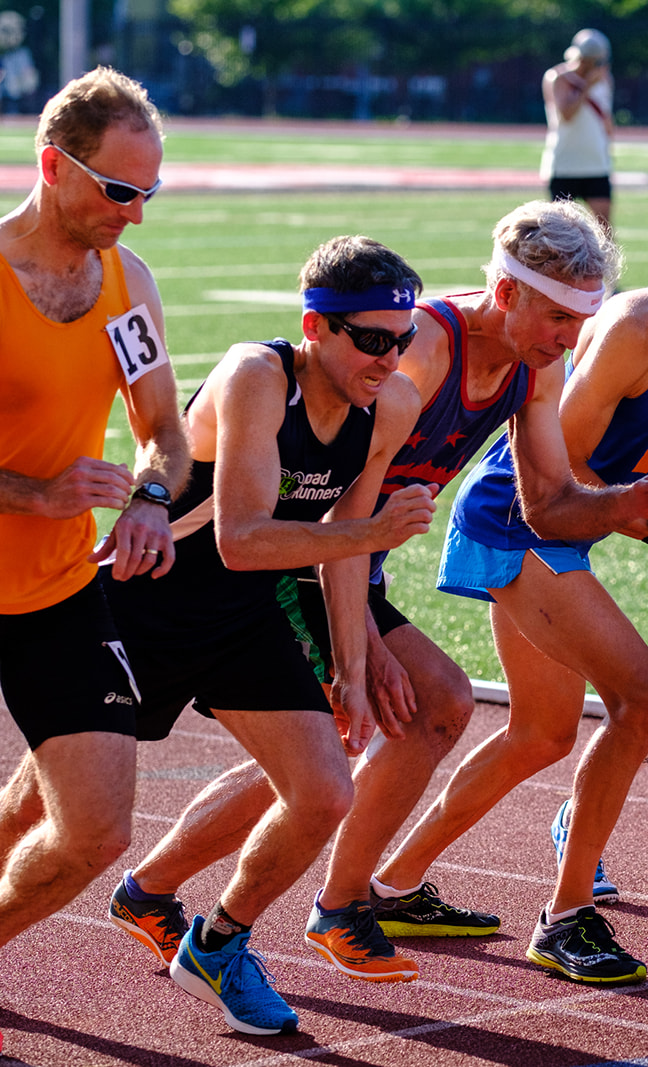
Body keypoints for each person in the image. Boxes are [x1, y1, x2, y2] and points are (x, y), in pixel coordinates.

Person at [107, 200, 618, 986]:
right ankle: (274, 901)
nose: (569, 336)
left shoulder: (528, 367)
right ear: (509, 293)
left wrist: (640, 509)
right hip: (267, 560)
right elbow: (310, 512)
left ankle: (246, 901)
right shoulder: (409, 362)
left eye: (582, 318)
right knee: (375, 722)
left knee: (400, 718)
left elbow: (544, 500)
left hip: (329, 553)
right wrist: (362, 646)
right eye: (557, 314)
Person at [376, 221, 648, 985]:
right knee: (646, 698)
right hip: (517, 518)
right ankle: (568, 914)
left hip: (578, 524)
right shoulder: (641, 329)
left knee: (540, 735)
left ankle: (393, 885)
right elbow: (557, 474)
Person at [102, 236, 433, 1035]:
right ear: (317, 328)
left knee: (325, 791)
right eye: (372, 338)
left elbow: (347, 535)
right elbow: (241, 539)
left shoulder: (390, 405)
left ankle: (218, 943)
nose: (391, 356)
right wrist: (374, 530)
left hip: (243, 616)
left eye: (405, 337)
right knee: (62, 815)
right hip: (145, 602)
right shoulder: (258, 375)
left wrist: (353, 666)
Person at [0, 69, 188, 997]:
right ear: (52, 167)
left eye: (148, 192)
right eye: (120, 191)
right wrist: (29, 490)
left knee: (97, 834)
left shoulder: (125, 284)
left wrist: (151, 497)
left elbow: (162, 428)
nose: (137, 214)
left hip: (58, 589)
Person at [541, 29, 614, 233]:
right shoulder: (558, 77)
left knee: (604, 230)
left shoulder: (605, 80)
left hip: (596, 164)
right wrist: (586, 86)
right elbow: (567, 114)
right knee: (560, 232)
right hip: (565, 165)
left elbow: (606, 119)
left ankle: (603, 267)